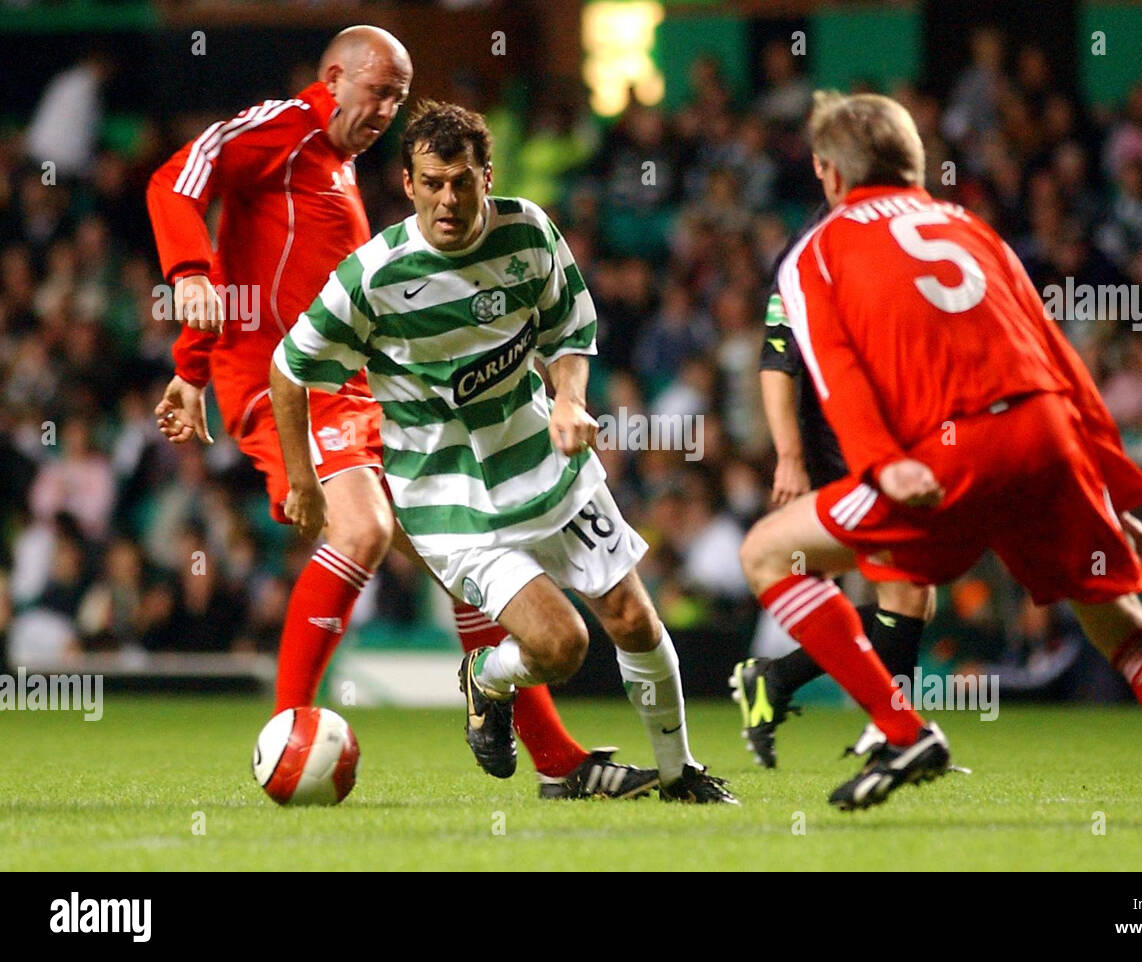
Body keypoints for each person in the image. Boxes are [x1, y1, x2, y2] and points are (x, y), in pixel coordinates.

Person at [740, 90, 1142, 824]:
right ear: (915, 164)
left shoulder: (816, 251)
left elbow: (833, 368)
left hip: (946, 456)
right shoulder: (971, 227)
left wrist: (878, 462)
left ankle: (900, 731)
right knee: (1121, 621)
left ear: (828, 174)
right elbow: (1057, 354)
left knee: (768, 553)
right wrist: (1112, 496)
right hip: (1045, 437)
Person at [145, 27, 652, 801]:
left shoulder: (338, 168)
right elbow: (176, 183)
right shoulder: (282, 130)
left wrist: (188, 365)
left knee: (465, 549)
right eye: (376, 90)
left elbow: (253, 272)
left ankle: (557, 762)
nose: (386, 109)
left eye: (397, 96)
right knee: (365, 528)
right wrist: (183, 277)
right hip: (287, 387)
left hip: (351, 391)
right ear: (333, 77)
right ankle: (288, 731)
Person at [269, 100, 735, 803]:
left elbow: (569, 333)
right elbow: (288, 366)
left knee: (635, 619)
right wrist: (304, 482)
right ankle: (486, 677)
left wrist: (571, 398)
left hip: (548, 470)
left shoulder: (529, 232)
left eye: (461, 181)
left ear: (487, 177)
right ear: (407, 183)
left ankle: (678, 775)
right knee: (563, 647)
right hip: (450, 503)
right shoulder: (373, 278)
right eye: (432, 182)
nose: (447, 199)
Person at [731, 202, 935, 769]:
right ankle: (892, 735)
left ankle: (779, 681)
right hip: (844, 445)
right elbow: (777, 360)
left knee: (913, 596)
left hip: (894, 441)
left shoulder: (899, 242)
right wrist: (790, 456)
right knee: (905, 589)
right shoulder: (809, 252)